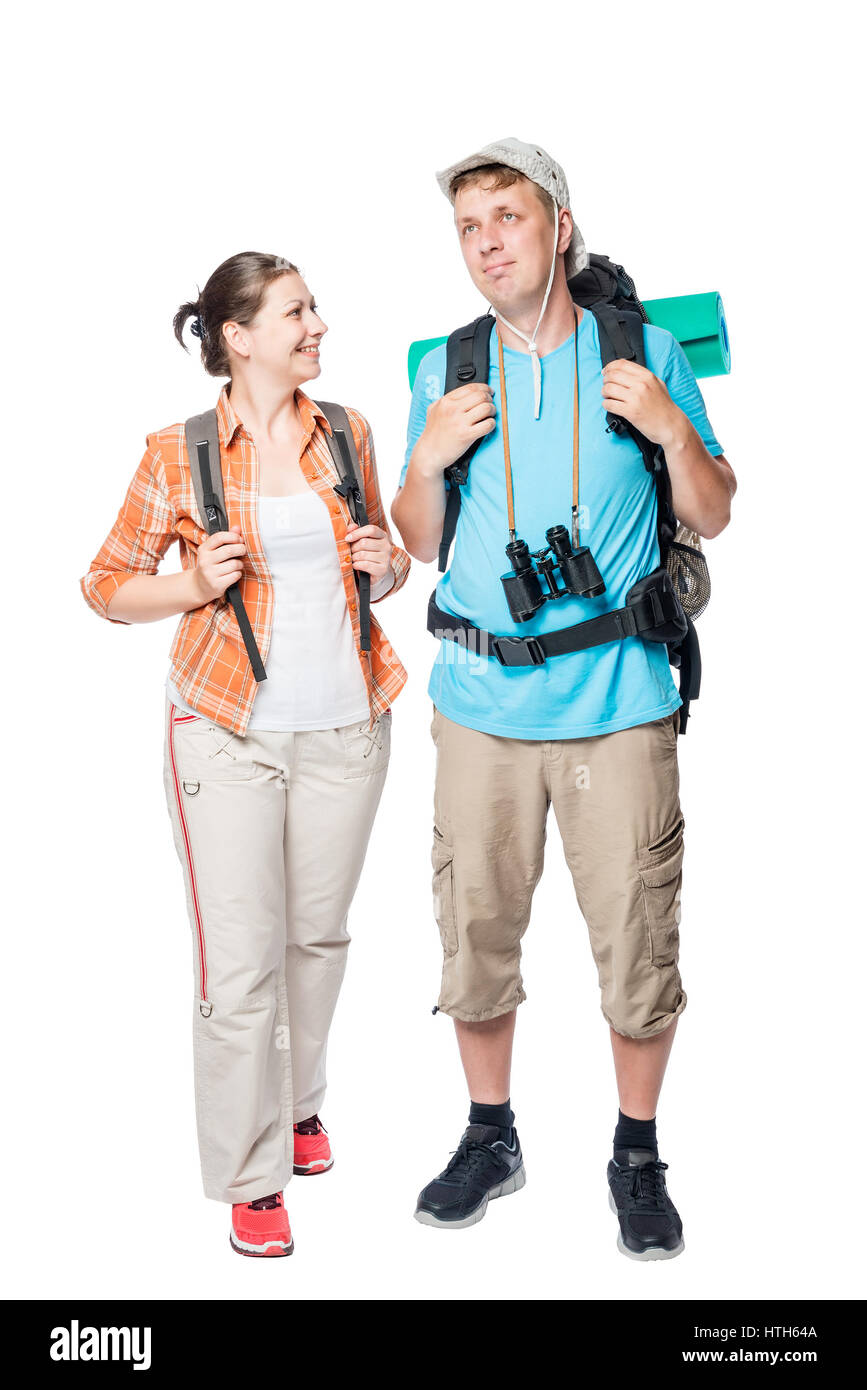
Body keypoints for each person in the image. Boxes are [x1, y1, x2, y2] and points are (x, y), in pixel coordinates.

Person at [391, 139, 736, 1259]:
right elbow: (420, 541)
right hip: (478, 704)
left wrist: (672, 427)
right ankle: (491, 1134)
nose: (489, 242)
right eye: (470, 227)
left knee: (638, 940)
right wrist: (428, 463)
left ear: (560, 227)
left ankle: (637, 1153)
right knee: (473, 934)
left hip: (620, 702)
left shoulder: (647, 352)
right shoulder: (444, 370)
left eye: (508, 217)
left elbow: (718, 510)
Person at [81, 251, 410, 1257]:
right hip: (223, 732)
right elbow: (103, 583)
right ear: (238, 335)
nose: (318, 325)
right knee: (240, 962)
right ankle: (251, 1171)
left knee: (317, 938)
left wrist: (386, 563)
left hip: (347, 724)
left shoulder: (345, 430)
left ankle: (299, 1101)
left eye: (313, 308)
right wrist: (187, 588)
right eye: (297, 312)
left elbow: (388, 563)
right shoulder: (177, 454)